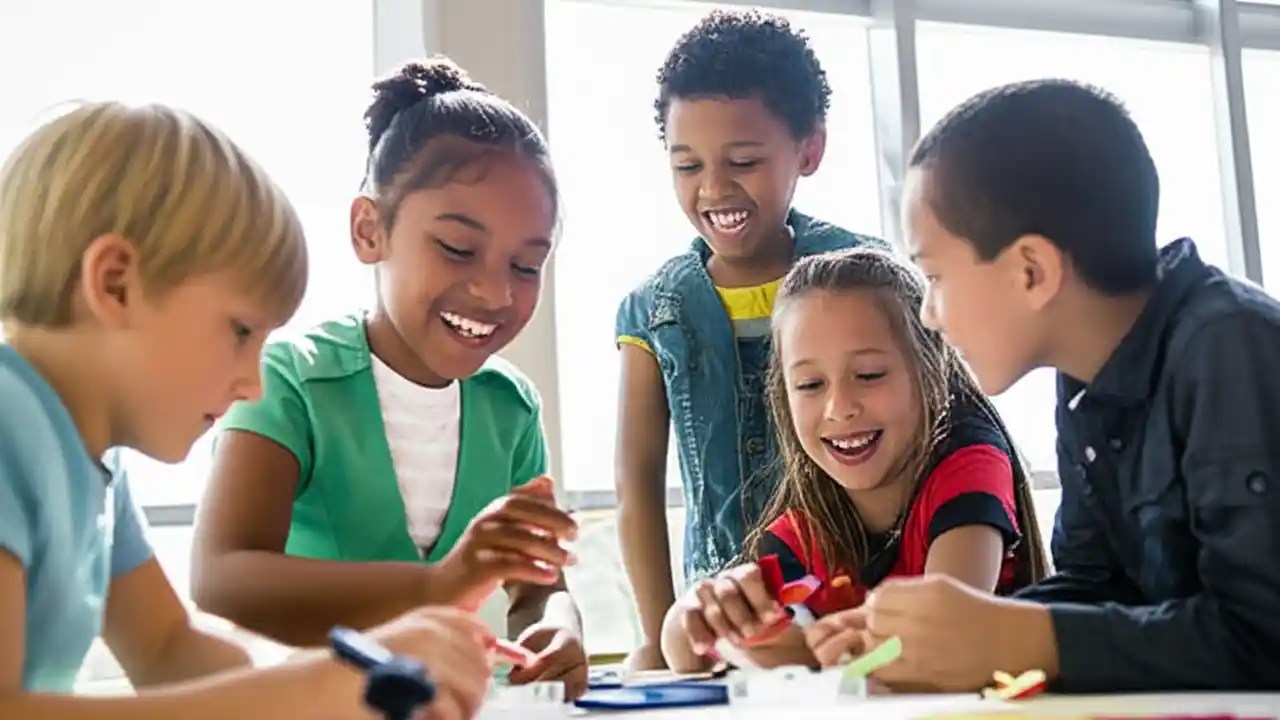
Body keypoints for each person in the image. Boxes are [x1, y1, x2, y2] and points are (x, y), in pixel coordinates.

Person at [0, 101, 494, 720]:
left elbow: (166, 646)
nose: (253, 386)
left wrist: (357, 677)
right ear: (116, 282)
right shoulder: (8, 422)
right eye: (240, 331)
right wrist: (314, 692)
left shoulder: (89, 460)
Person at [806, 79, 1280, 692]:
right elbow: (1096, 581)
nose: (929, 313)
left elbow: (1262, 634)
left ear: (1032, 271)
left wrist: (1022, 637)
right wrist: (937, 639)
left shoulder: (1230, 348)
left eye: (936, 277)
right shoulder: (1087, 382)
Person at [189, 57, 588, 698]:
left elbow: (538, 588)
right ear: (370, 230)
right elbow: (221, 581)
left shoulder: (510, 409)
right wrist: (440, 585)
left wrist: (558, 627)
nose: (493, 291)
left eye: (526, 265)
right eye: (458, 249)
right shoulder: (287, 384)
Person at [614, 8, 886, 670]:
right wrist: (654, 638)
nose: (714, 188)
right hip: (721, 625)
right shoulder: (653, 311)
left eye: (743, 160)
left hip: (859, 609)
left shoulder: (869, 276)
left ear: (809, 150)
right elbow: (637, 483)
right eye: (687, 166)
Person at [661, 248, 1046, 672]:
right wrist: (709, 608)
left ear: (932, 367)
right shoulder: (807, 529)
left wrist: (810, 653)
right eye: (809, 384)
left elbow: (940, 635)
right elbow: (682, 650)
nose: (838, 407)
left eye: (868, 375)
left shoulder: (970, 465)